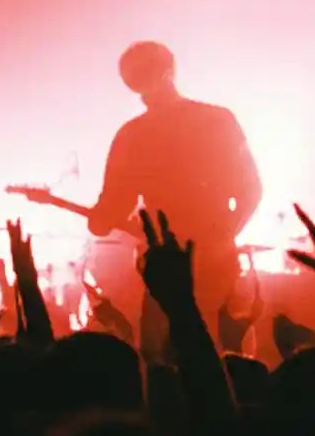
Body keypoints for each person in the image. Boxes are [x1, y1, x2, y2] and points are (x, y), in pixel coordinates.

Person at [87, 41, 263, 359]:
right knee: (223, 357)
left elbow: (112, 207)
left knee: (162, 361)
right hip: (213, 262)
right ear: (171, 70)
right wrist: (222, 235)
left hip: (165, 264)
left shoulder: (132, 135)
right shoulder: (217, 120)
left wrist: (100, 220)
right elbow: (251, 189)